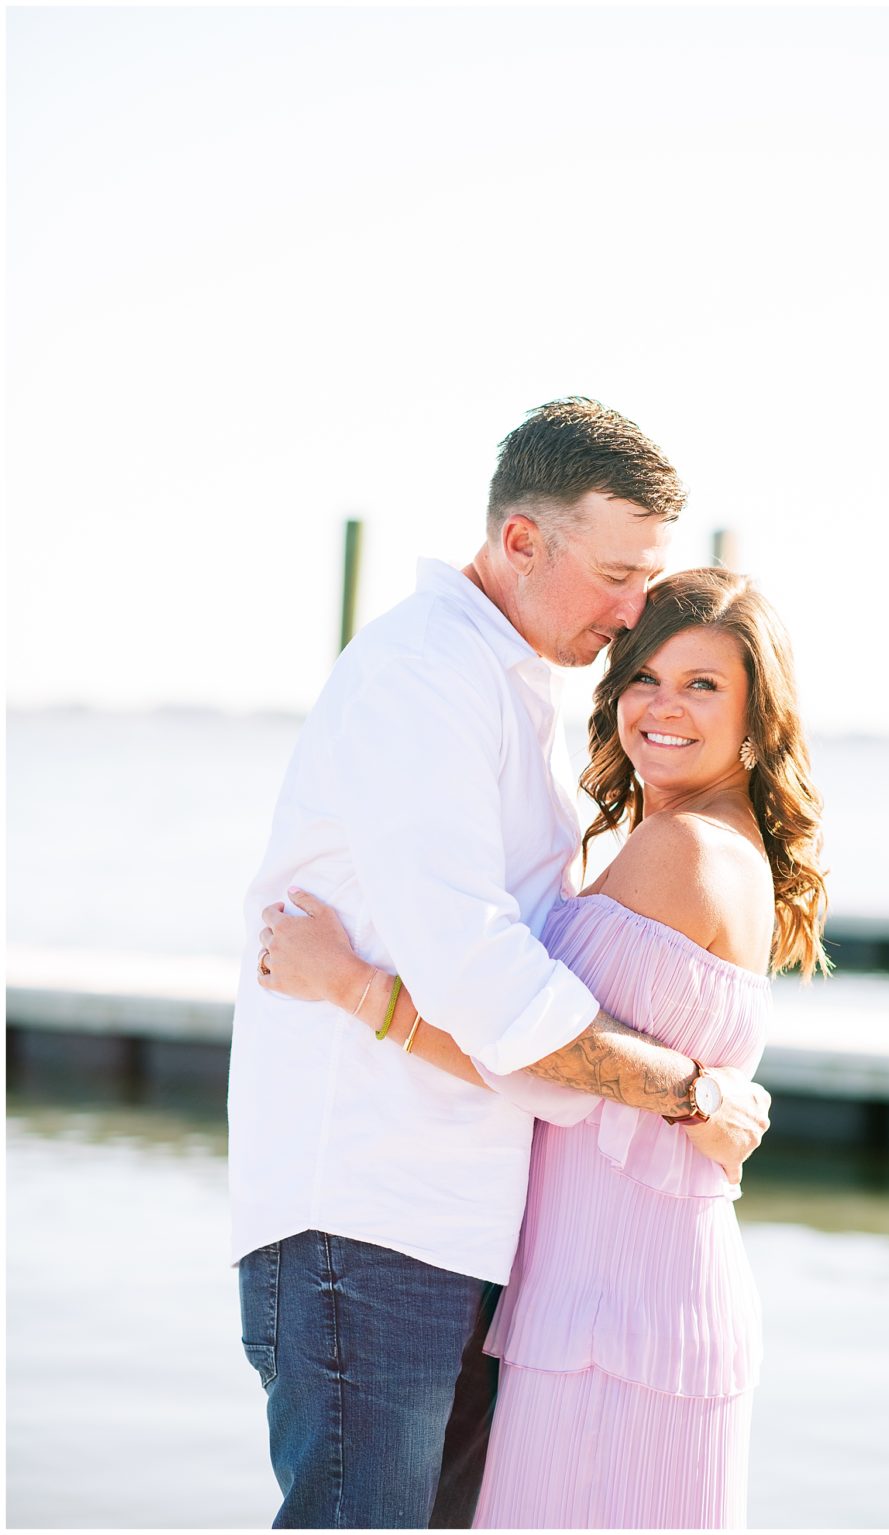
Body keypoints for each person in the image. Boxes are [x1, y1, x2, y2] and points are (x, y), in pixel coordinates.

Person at [229, 399, 772, 1529]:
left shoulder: (516, 683)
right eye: (618, 574)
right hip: (368, 1217)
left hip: (468, 1229)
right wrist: (692, 1093)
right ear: (522, 540)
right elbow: (487, 981)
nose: (632, 615)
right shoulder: (425, 676)